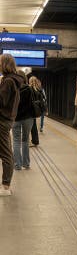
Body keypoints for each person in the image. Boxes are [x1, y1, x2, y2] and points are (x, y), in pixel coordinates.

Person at [0, 54, 23, 196]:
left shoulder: (8, 81)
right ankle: (5, 184)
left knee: (6, 153)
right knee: (6, 151)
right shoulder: (13, 80)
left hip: (2, 121)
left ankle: (6, 186)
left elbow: (1, 101)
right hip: (7, 120)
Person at [12, 70, 35, 170]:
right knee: (25, 140)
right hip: (28, 118)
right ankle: (26, 164)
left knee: (16, 141)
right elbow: (32, 103)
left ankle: (17, 164)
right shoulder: (29, 89)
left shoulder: (14, 89)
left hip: (16, 118)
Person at [28, 76, 45, 146]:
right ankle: (35, 141)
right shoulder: (39, 90)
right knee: (34, 126)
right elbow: (43, 100)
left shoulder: (29, 89)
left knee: (29, 126)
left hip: (30, 111)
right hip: (36, 111)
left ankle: (30, 141)